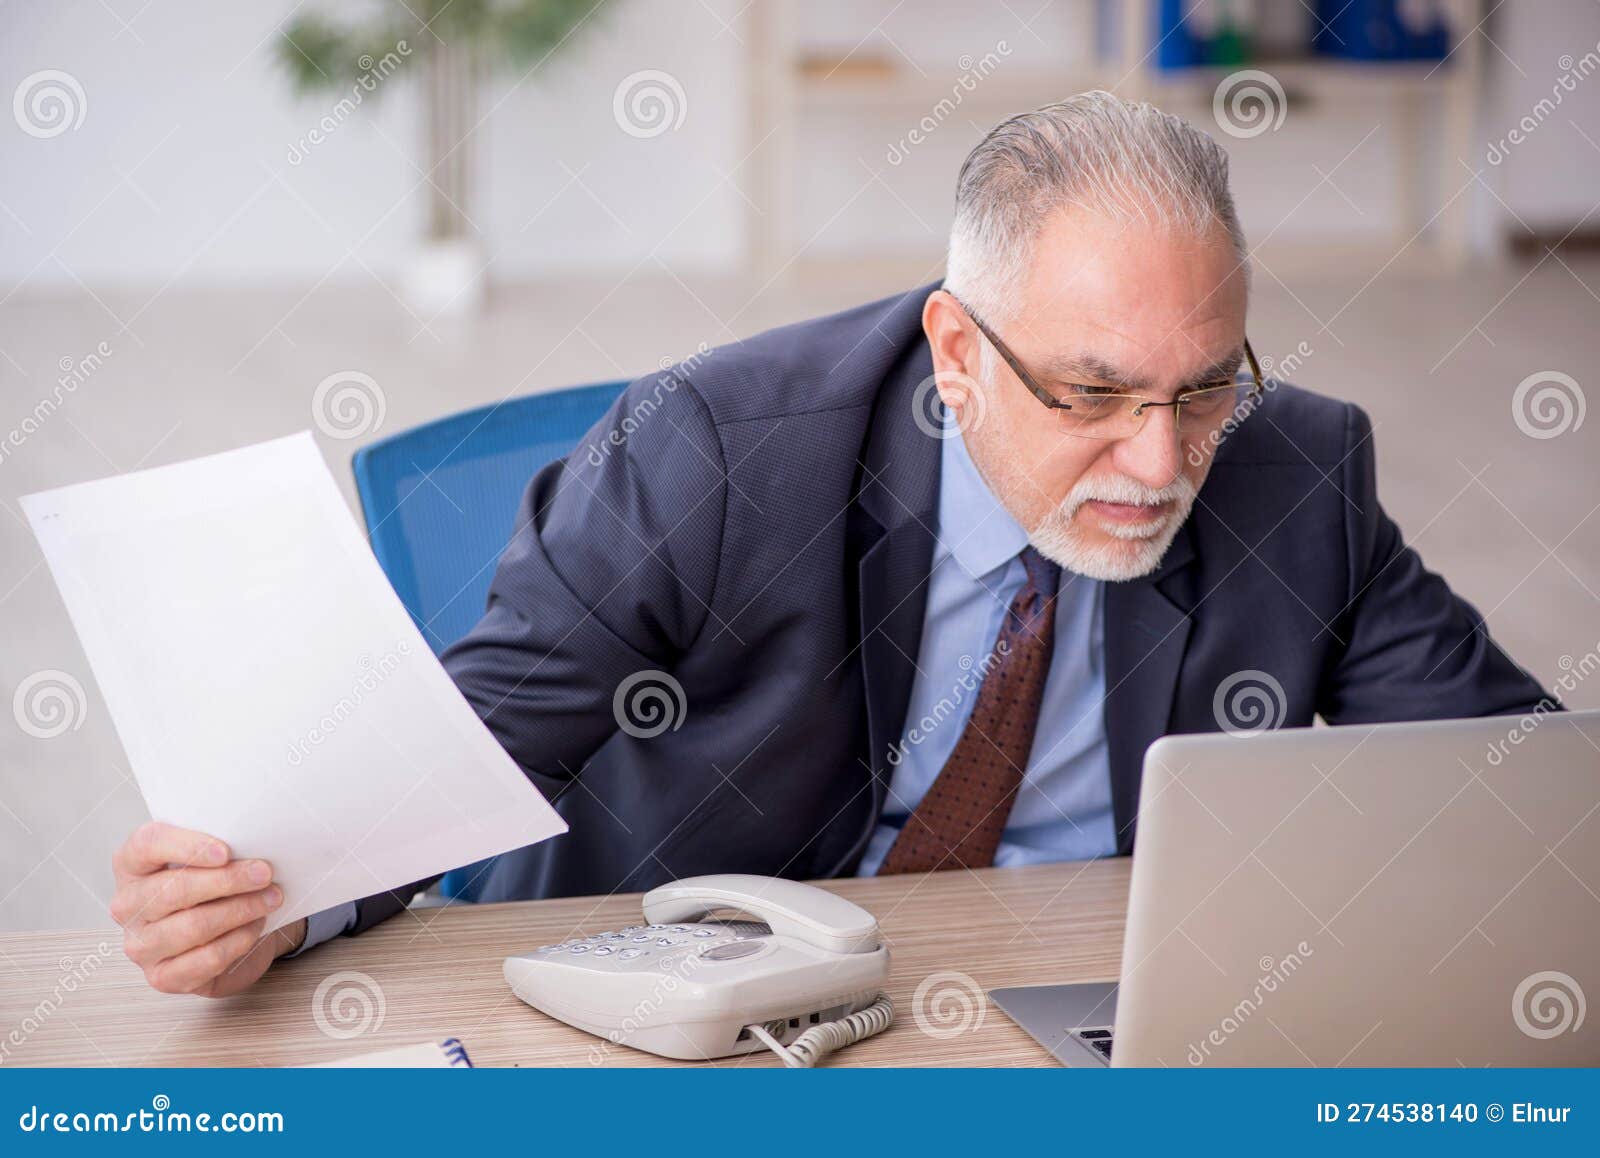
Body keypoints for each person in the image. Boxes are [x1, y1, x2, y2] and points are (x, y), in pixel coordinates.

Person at [109, 92, 1550, 997]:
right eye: (1093, 394)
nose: (1162, 461)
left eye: (1206, 386)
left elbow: (1513, 794)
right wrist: (268, 908)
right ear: (957, 351)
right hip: (712, 1021)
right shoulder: (717, 452)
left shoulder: (1296, 468)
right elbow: (461, 760)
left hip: (1073, 1013)